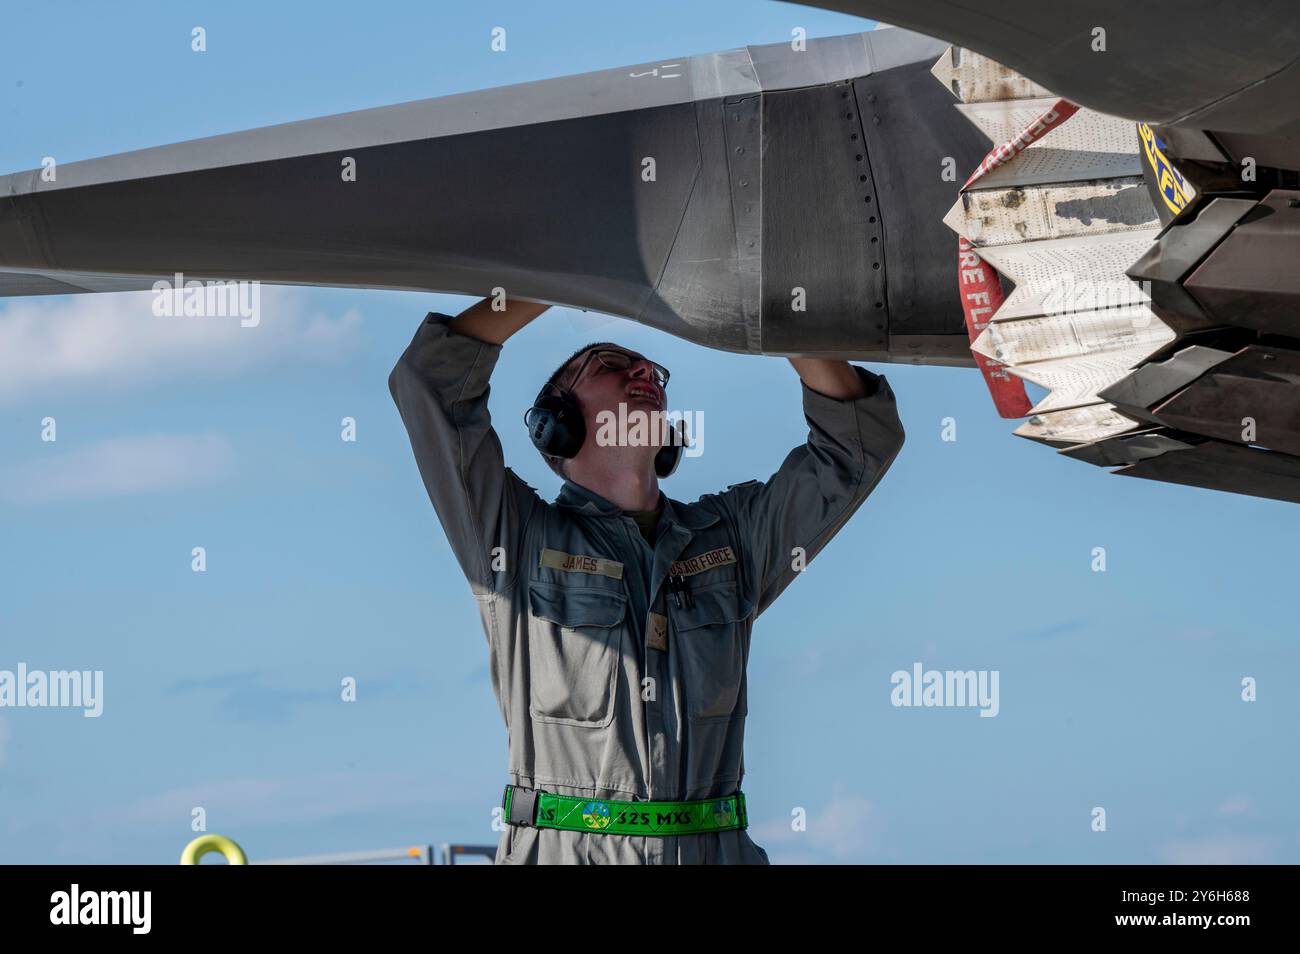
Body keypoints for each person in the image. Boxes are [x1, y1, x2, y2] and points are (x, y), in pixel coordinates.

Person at [388, 294, 905, 864]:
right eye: (610, 364)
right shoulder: (516, 538)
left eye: (652, 372)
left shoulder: (732, 541)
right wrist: (554, 279)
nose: (643, 373)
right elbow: (429, 384)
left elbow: (857, 447)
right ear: (558, 423)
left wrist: (781, 311)